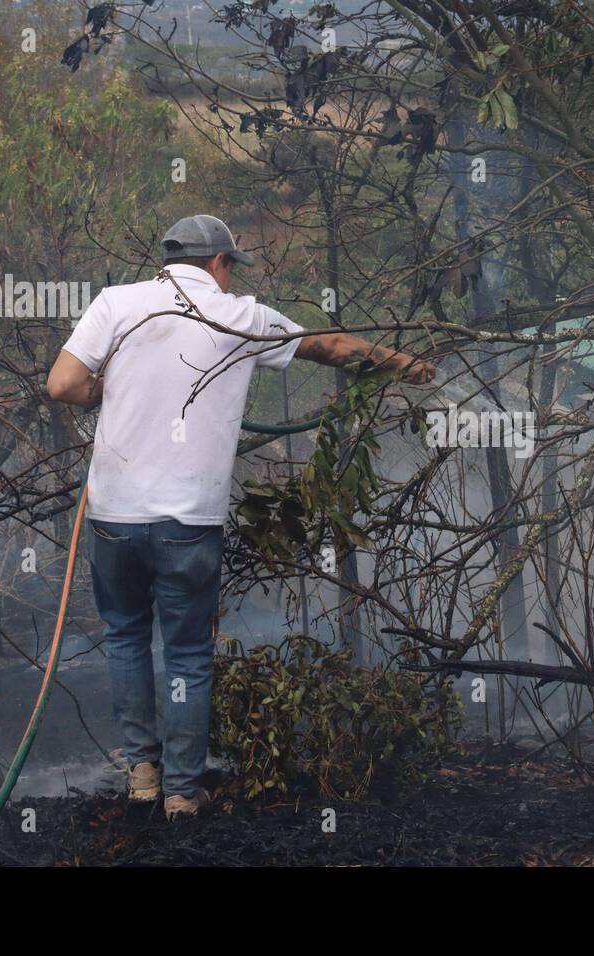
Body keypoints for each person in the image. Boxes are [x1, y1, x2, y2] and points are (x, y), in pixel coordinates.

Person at [46, 214, 434, 818]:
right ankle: (181, 794)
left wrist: (108, 390)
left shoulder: (116, 303)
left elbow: (63, 383)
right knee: (187, 654)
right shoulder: (241, 317)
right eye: (231, 270)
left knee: (125, 638)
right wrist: (400, 362)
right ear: (219, 265)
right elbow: (331, 347)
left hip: (114, 515)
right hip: (188, 521)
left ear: (168, 261)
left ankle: (142, 774)